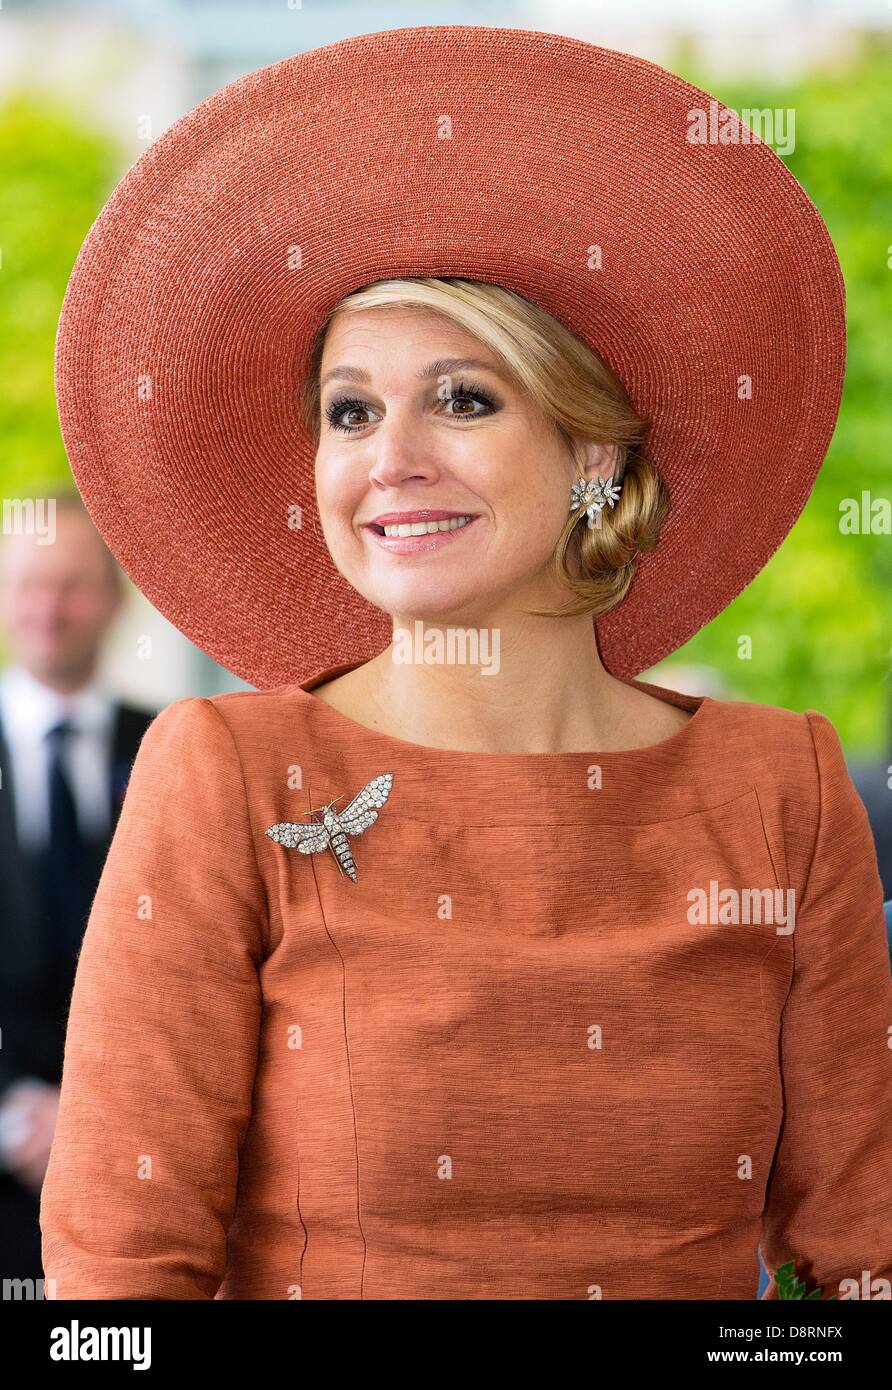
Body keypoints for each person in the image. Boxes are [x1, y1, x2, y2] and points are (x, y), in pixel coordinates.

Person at [38, 27, 891, 1300]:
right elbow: (116, 1284)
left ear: (595, 453)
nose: (390, 459)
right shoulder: (227, 773)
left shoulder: (785, 788)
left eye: (464, 398)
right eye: (350, 409)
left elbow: (862, 1259)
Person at [0, 493, 153, 1283]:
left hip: (141, 1187)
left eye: (70, 584)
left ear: (114, 598)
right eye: (28, 584)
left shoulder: (175, 750)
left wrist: (97, 1117)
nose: (47, 610)